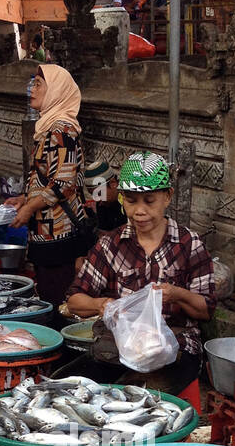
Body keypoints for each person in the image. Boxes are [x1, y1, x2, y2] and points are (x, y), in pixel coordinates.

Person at [67, 152, 215, 394]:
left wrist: (177, 294)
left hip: (175, 348)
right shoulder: (110, 245)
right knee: (67, 387)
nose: (139, 211)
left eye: (149, 200)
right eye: (132, 201)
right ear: (122, 199)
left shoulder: (189, 244)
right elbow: (74, 301)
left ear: (167, 197)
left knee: (131, 396)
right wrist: (100, 304)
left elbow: (205, 309)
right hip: (119, 346)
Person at [6, 64, 90, 308]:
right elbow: (47, 176)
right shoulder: (48, 128)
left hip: (59, 235)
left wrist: (30, 208)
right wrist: (25, 199)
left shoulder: (62, 130)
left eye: (39, 84)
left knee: (58, 302)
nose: (32, 89)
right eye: (33, 83)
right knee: (48, 296)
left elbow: (63, 183)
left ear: (56, 91)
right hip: (45, 233)